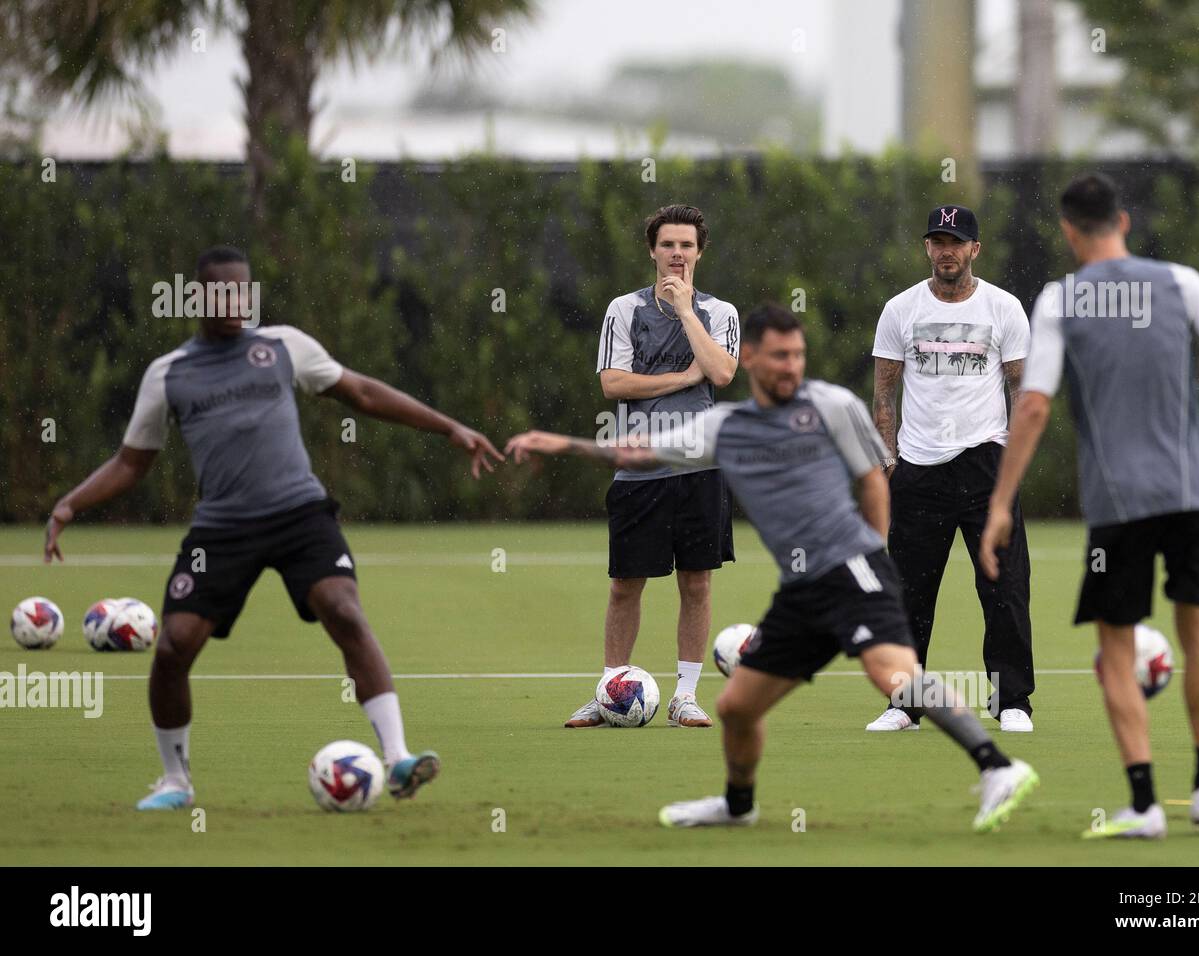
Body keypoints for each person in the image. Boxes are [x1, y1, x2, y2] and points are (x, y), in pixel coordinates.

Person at [506, 304, 1038, 831]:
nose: (792, 366)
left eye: (799, 355)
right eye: (780, 355)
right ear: (753, 357)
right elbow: (637, 455)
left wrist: (874, 551)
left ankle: (998, 766)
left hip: (851, 570)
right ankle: (738, 807)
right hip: (801, 592)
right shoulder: (725, 426)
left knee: (895, 676)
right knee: (737, 708)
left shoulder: (830, 405)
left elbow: (873, 481)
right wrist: (559, 444)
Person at [43, 245, 504, 810]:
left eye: (244, 289)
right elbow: (130, 463)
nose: (237, 300)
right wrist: (69, 505)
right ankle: (175, 781)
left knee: (345, 610)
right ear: (198, 298)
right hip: (221, 531)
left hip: (299, 515)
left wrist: (450, 428)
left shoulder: (284, 347)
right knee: (172, 649)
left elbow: (360, 392)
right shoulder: (169, 375)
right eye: (224, 291)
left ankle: (398, 758)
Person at [979, 174, 1199, 838]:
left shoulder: (1061, 299)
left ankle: (1145, 804)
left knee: (1115, 650)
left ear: (1068, 231)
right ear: (1123, 220)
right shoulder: (1182, 282)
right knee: (1197, 630)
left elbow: (1032, 406)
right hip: (1192, 496)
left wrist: (1002, 501)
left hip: (1118, 508)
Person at [566, 204, 739, 729]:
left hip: (700, 469)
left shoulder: (720, 312)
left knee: (697, 584)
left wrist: (687, 312)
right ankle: (611, 690)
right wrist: (681, 379)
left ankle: (685, 696)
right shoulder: (623, 309)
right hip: (639, 470)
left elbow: (723, 373)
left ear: (699, 252)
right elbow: (613, 384)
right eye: (668, 245)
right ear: (652, 250)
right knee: (625, 585)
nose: (677, 254)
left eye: (687, 246)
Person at [869, 204, 1035, 733]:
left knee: (1004, 585)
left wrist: (1012, 465)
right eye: (938, 241)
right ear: (927, 249)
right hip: (918, 468)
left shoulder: (1004, 308)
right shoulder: (900, 309)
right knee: (909, 592)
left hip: (985, 461)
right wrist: (888, 462)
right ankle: (903, 703)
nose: (947, 250)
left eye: (956, 242)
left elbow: (1020, 390)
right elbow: (884, 397)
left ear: (974, 250)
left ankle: (1012, 701)